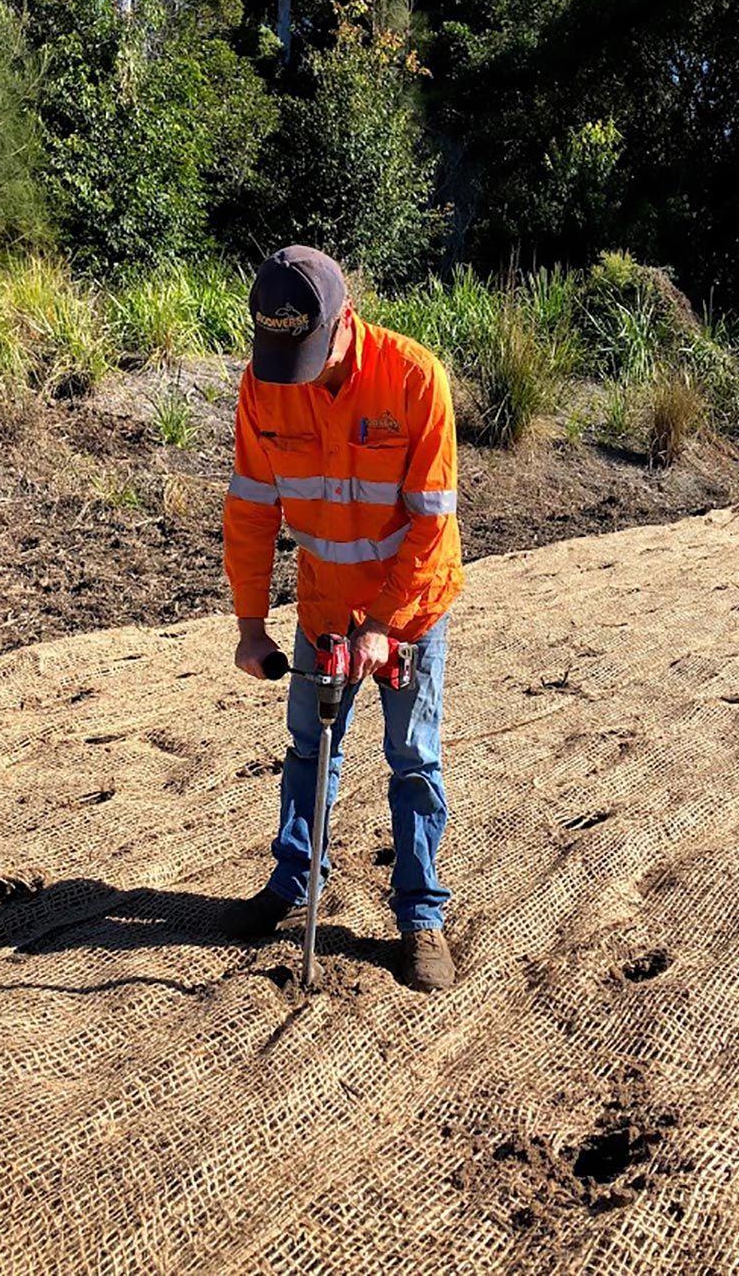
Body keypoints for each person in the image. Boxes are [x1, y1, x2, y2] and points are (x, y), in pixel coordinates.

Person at [221, 245, 464, 992]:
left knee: (413, 756)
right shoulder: (264, 388)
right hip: (324, 604)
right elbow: (253, 510)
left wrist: (384, 625)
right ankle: (294, 880)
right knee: (307, 747)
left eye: (306, 351)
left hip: (408, 611)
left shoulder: (414, 380)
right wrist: (251, 623)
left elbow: (430, 524)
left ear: (342, 322)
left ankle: (420, 913)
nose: (294, 369)